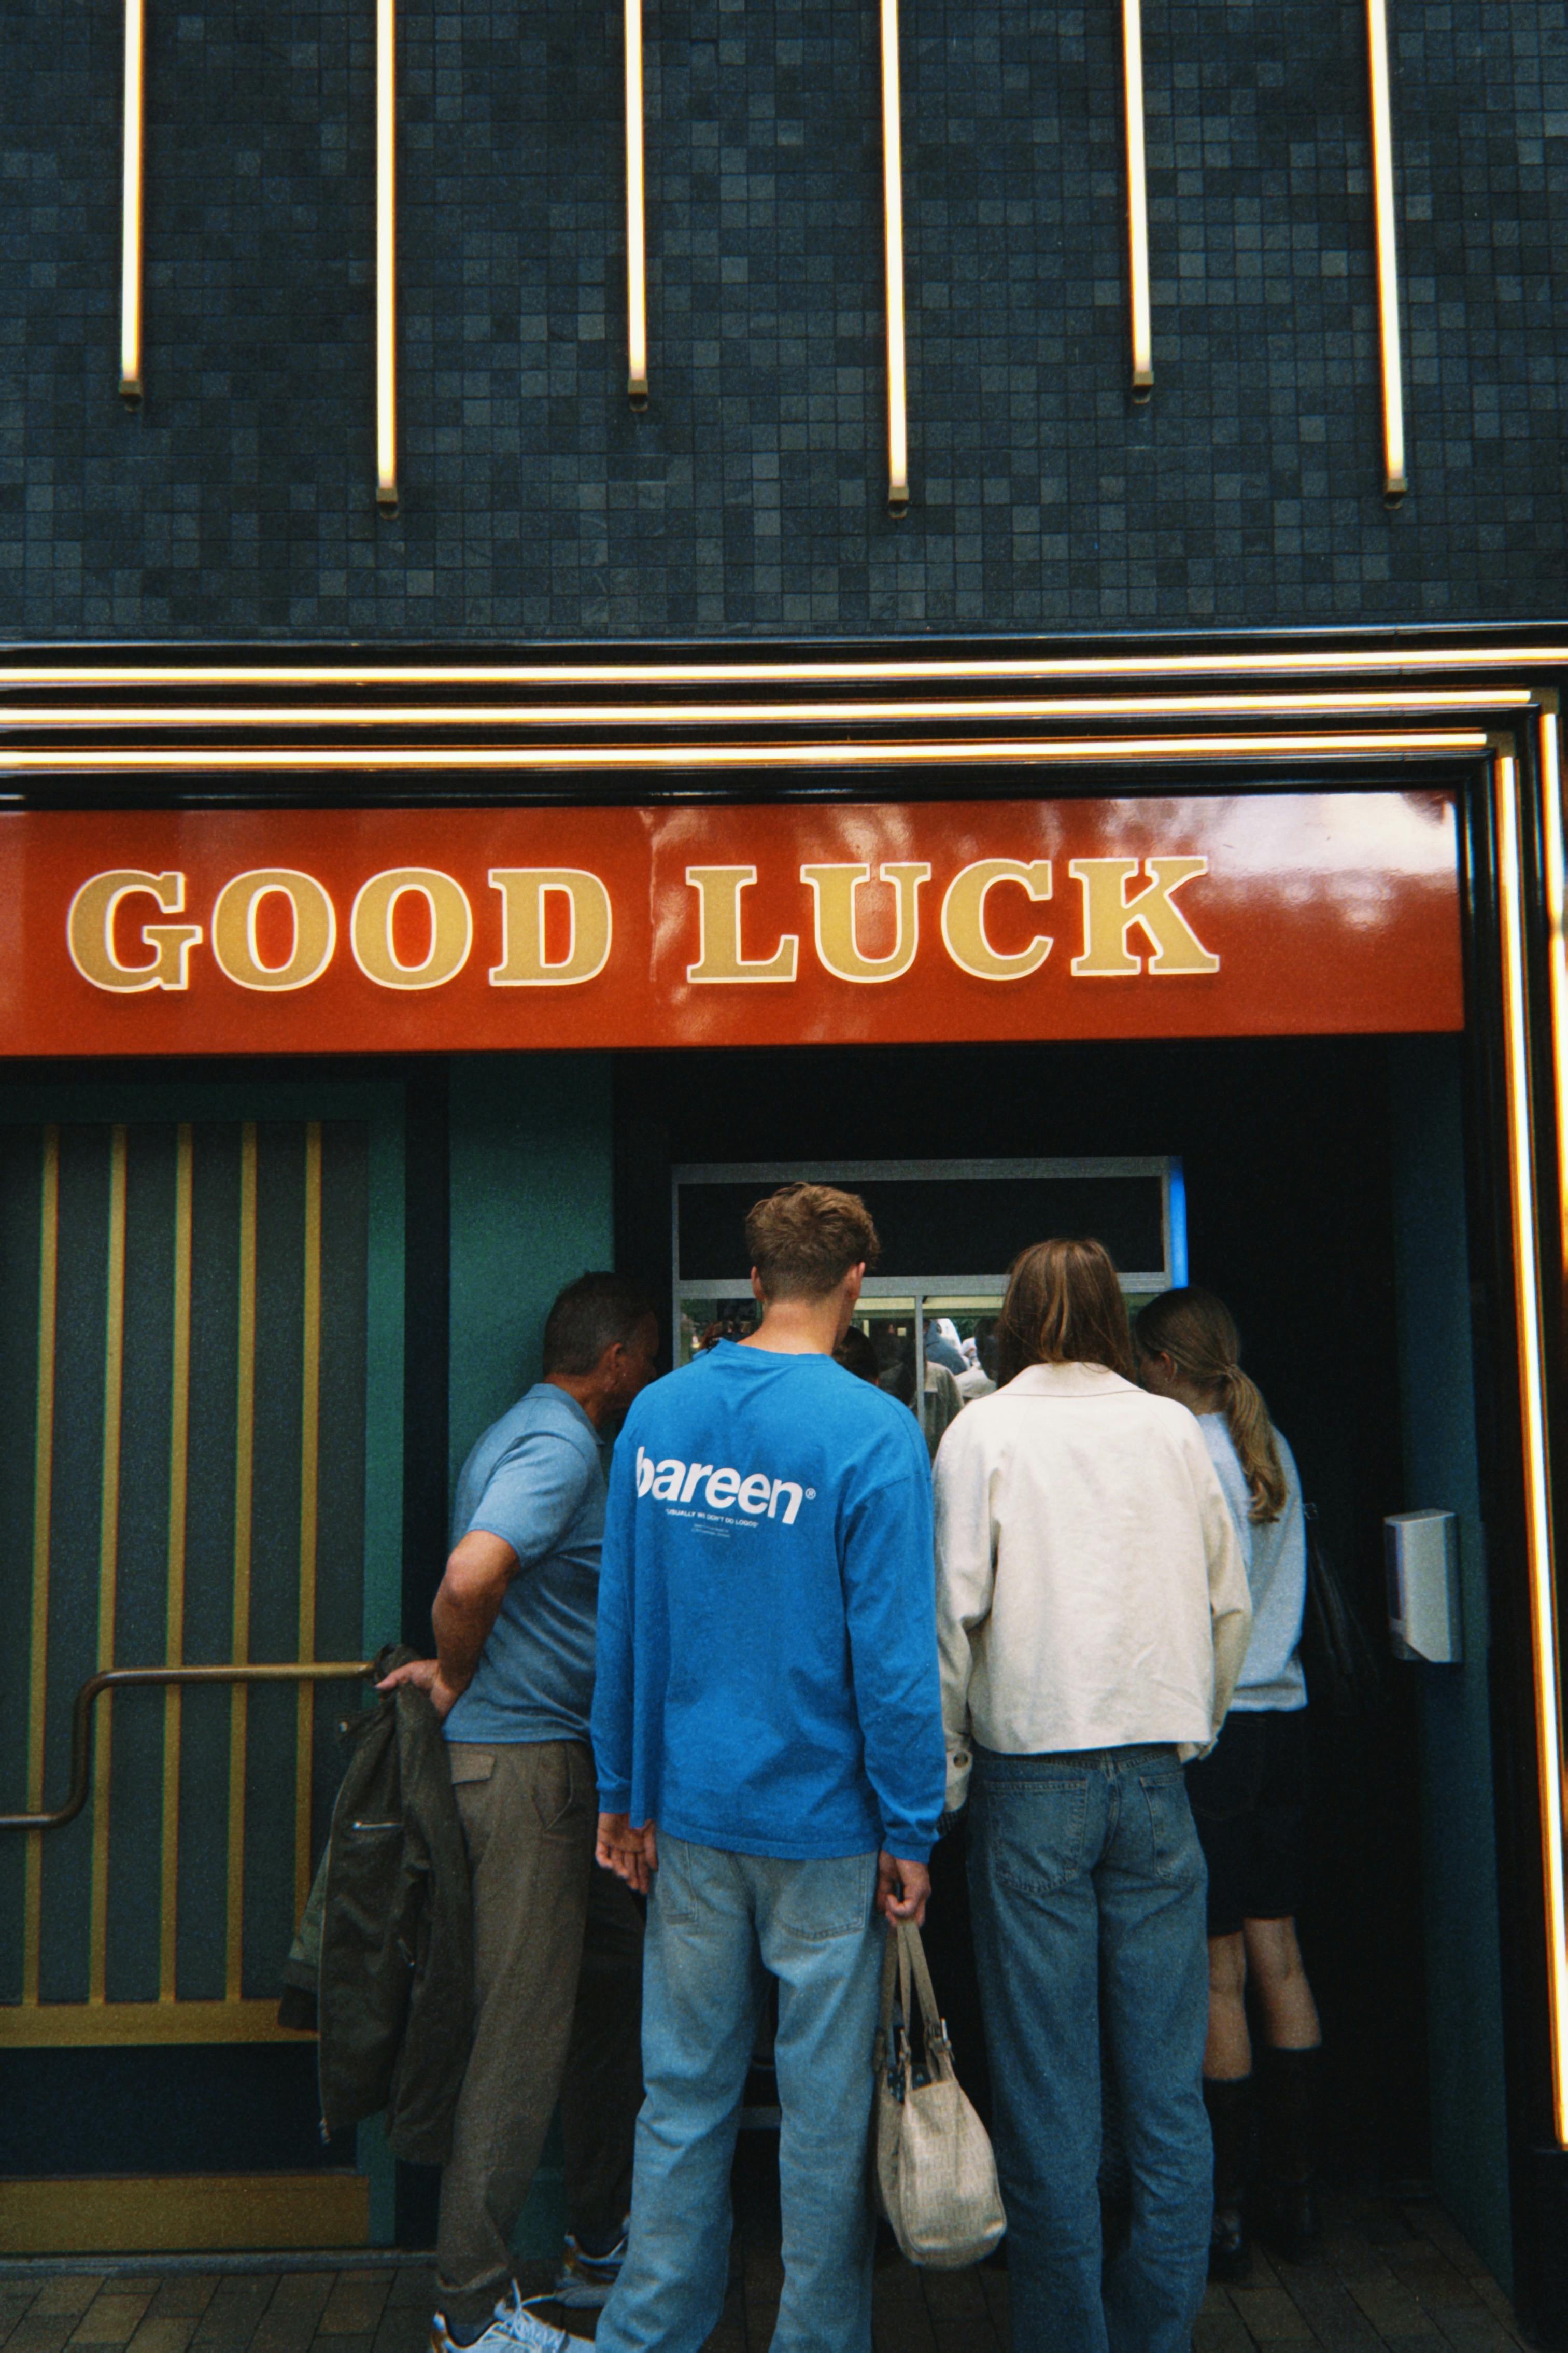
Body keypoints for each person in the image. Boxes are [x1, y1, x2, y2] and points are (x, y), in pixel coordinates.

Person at [590, 1181, 947, 2353]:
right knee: (824, 2116)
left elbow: (625, 1617)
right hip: (826, 1824)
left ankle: (650, 2334)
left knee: (681, 2096)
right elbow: (892, 1660)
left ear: (752, 1281)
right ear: (856, 1283)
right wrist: (911, 1824)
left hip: (689, 1814)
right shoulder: (873, 1431)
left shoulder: (658, 1415)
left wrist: (620, 1790)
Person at [933, 1238, 1252, 2353]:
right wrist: (1195, 1725)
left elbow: (952, 1620)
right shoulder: (1170, 1430)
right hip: (1157, 1773)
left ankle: (1066, 2337)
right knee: (1164, 2093)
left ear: (1015, 1316)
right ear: (1117, 1315)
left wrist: (950, 1769)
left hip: (1029, 1782)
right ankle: (1155, 2333)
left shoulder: (982, 1432)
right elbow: (1228, 1605)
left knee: (1048, 2092)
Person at [379, 1273, 661, 2353]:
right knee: (519, 2036)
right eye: (648, 1358)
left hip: (564, 1771)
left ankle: (599, 2242)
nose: (651, 1376)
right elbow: (470, 1577)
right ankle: (468, 2311)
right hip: (526, 1773)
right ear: (619, 1359)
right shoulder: (560, 1447)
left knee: (610, 1989)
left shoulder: (531, 1431)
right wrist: (452, 1675)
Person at [1135, 1286, 1323, 2276]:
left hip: (1217, 1729)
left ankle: (1226, 2215)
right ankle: (1297, 2200)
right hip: (1285, 1718)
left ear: (1166, 1366)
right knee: (1278, 1955)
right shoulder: (1270, 1444)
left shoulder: (1182, 1455)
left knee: (1217, 1972)